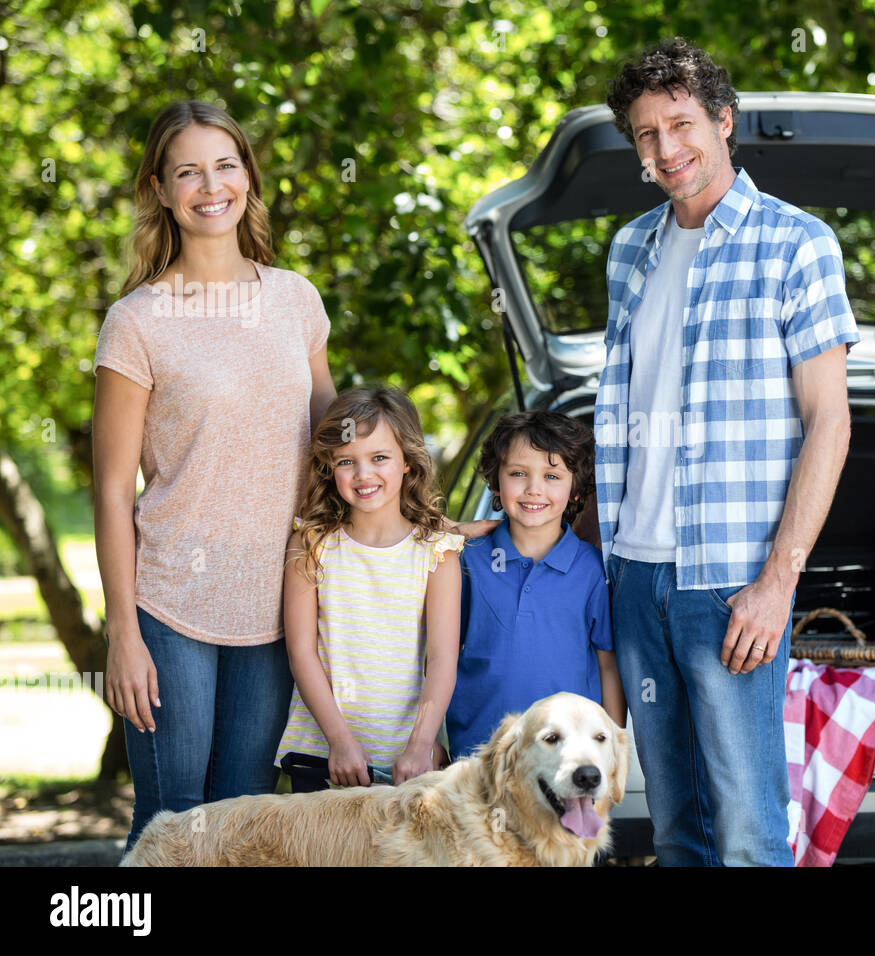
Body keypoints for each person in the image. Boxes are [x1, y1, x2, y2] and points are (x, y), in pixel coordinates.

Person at [596, 38, 859, 866]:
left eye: (681, 124)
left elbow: (829, 421)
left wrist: (779, 580)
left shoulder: (797, 243)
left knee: (747, 832)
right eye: (645, 135)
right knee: (673, 829)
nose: (666, 149)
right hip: (636, 578)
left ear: (723, 120)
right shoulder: (629, 249)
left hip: (732, 584)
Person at [92, 100, 337, 857]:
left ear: (247, 179)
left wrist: (432, 523)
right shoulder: (136, 322)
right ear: (162, 190)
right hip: (171, 609)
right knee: (172, 828)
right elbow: (110, 489)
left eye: (225, 165)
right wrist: (123, 634)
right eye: (188, 171)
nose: (210, 185)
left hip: (275, 609)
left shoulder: (294, 299)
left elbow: (340, 445)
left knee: (243, 830)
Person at [276, 386, 465, 789]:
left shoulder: (437, 552)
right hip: (322, 753)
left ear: (408, 463)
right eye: (347, 461)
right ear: (330, 467)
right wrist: (339, 741)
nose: (364, 475)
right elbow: (302, 653)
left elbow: (442, 659)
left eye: (379, 457)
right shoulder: (311, 544)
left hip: (408, 761)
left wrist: (421, 744)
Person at [446, 410, 626, 763]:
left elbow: (608, 665)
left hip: (567, 759)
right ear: (496, 483)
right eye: (518, 473)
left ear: (575, 491)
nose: (534, 489)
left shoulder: (592, 569)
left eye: (552, 475)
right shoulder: (468, 559)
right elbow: (439, 656)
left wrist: (612, 751)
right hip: (478, 755)